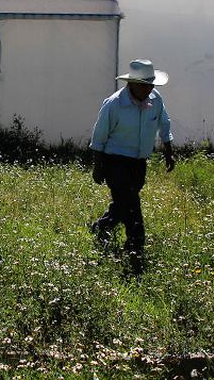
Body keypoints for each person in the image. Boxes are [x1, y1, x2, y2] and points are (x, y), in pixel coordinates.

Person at [88, 59, 174, 271]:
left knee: (124, 202)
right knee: (131, 203)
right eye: (145, 84)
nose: (150, 89)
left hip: (139, 161)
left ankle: (102, 226)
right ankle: (135, 246)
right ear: (132, 84)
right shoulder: (114, 104)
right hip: (115, 160)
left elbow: (164, 124)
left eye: (152, 84)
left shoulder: (156, 98)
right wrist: (98, 167)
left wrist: (169, 153)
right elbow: (99, 137)